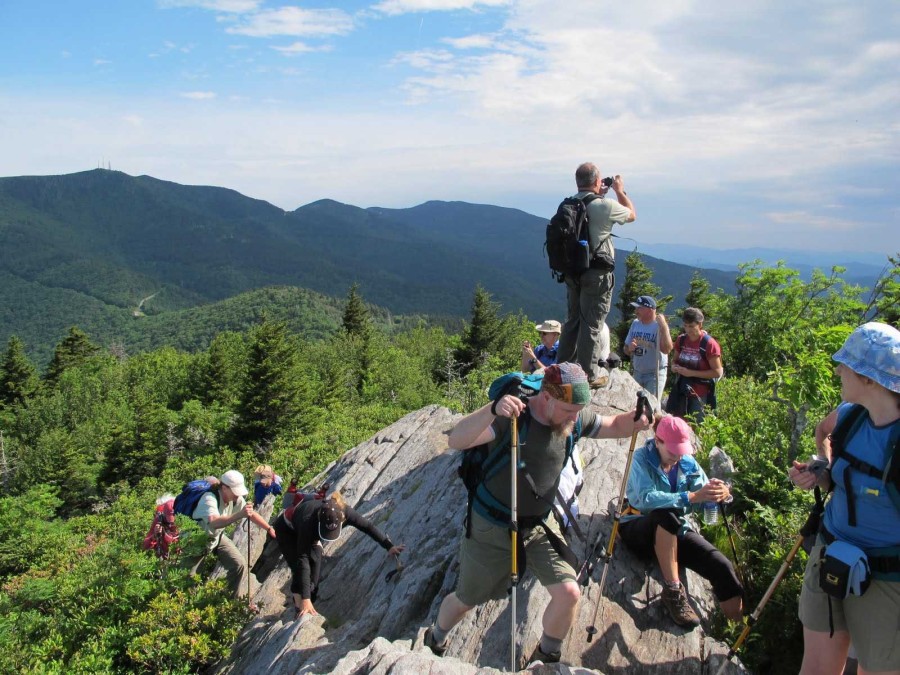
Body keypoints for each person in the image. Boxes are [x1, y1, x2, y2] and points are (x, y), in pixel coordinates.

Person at [425, 362, 650, 664]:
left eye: (578, 410)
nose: (574, 417)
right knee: (467, 598)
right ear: (546, 398)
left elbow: (612, 426)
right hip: (492, 525)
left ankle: (546, 655)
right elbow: (456, 440)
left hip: (539, 525)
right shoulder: (514, 417)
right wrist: (492, 409)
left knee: (569, 592)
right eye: (569, 410)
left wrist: (639, 420)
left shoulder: (571, 416)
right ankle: (436, 636)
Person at [788, 322, 900, 675]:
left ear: (870, 379)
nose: (838, 370)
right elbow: (824, 432)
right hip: (829, 553)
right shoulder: (851, 415)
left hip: (887, 577)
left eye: (846, 364)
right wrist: (821, 470)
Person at [619, 415, 743, 627]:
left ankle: (738, 629)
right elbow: (645, 499)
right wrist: (692, 497)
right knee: (665, 515)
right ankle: (673, 590)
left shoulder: (686, 462)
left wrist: (718, 493)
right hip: (638, 526)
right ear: (657, 441)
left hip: (674, 531)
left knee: (721, 566)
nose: (676, 457)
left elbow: (701, 495)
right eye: (672, 451)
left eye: (681, 451)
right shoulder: (640, 459)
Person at [556, 163, 636, 388]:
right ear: (597, 181)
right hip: (597, 273)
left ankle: (562, 370)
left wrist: (597, 194)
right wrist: (620, 190)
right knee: (591, 323)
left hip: (573, 272)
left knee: (572, 321)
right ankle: (588, 376)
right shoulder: (605, 206)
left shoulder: (569, 203)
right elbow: (631, 215)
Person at [273, 491, 405, 618]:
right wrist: (305, 598)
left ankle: (310, 604)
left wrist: (389, 546)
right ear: (320, 521)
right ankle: (300, 607)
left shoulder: (345, 512)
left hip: (311, 532)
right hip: (287, 531)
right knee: (299, 567)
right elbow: (303, 559)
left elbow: (368, 527)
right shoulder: (308, 520)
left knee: (316, 571)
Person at [186, 470, 275, 607]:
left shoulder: (235, 498)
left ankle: (228, 602)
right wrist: (239, 515)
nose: (238, 495)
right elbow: (215, 522)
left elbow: (250, 514)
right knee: (190, 580)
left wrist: (268, 528)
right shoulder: (209, 498)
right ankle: (191, 609)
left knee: (238, 564)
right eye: (235, 491)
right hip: (197, 541)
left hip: (215, 537)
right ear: (224, 488)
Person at [668, 308, 723, 422]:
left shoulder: (709, 344)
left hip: (700, 394)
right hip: (681, 389)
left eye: (692, 326)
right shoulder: (681, 340)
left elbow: (718, 372)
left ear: (700, 324)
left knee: (697, 426)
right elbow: (674, 361)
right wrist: (674, 367)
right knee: (677, 423)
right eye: (686, 326)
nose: (688, 330)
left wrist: (691, 373)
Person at [623, 295, 673, 403]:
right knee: (635, 405)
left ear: (650, 310)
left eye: (639, 308)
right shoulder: (635, 323)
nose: (636, 310)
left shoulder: (659, 326)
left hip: (654, 374)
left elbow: (667, 349)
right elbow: (626, 349)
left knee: (650, 407)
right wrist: (629, 349)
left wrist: (664, 327)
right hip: (637, 372)